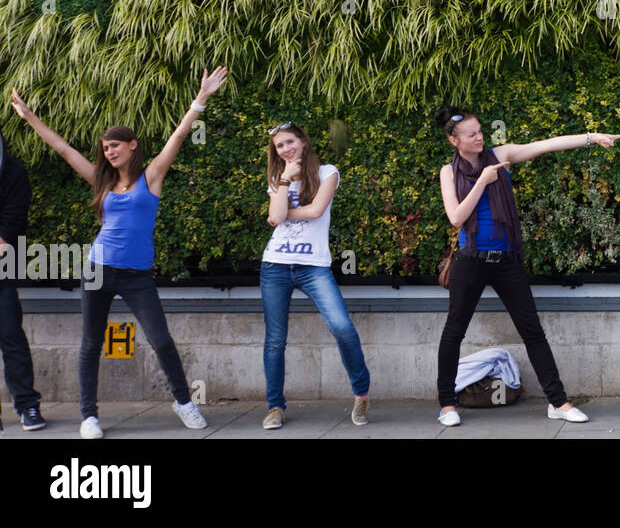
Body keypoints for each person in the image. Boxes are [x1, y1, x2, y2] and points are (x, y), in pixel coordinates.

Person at [10, 71, 226, 438]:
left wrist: (201, 98)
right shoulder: (101, 180)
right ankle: (89, 416)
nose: (108, 151)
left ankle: (183, 402)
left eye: (114, 145)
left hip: (137, 275)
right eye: (105, 147)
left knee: (161, 340)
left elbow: (178, 135)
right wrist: (30, 117)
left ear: (132, 145)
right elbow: (63, 150)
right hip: (98, 268)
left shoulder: (152, 176)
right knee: (91, 342)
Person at [434, 106, 620, 427]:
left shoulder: (501, 155)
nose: (480, 137)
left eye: (480, 130)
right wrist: (482, 180)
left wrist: (592, 137)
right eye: (472, 134)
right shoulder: (448, 172)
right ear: (454, 141)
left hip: (506, 260)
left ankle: (558, 403)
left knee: (532, 332)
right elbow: (456, 218)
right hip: (471, 261)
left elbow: (546, 144)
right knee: (454, 332)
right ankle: (447, 405)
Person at [260, 121, 371, 429]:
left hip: (313, 266)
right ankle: (274, 406)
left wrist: (279, 214)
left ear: (303, 142)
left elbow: (315, 211)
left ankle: (361, 394)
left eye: (290, 142)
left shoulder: (327, 172)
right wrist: (284, 183)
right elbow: (274, 217)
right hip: (275, 265)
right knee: (275, 340)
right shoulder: (276, 177)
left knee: (342, 327)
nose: (286, 149)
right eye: (280, 146)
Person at [0, 124, 45, 432]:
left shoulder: (13, 171)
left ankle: (27, 406)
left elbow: (15, 213)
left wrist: (3, 239)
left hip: (2, 263)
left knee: (10, 334)